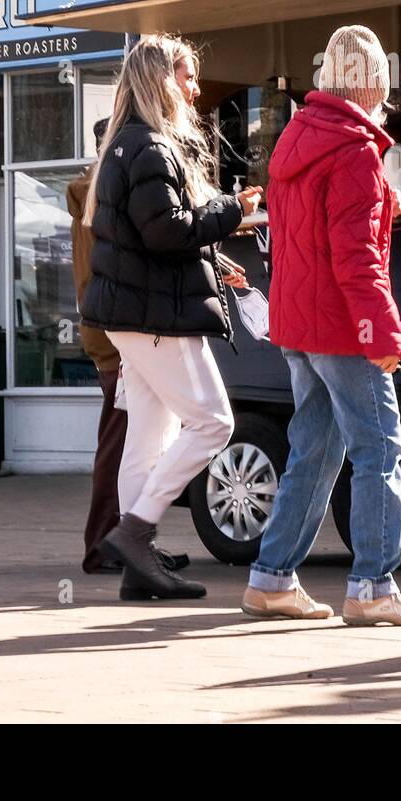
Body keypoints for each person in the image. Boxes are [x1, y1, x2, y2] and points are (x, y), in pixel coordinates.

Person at [240, 24, 401, 626]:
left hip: (296, 324)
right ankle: (372, 586)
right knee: (380, 450)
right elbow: (358, 257)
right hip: (344, 328)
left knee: (312, 452)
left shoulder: (295, 140)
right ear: (371, 87)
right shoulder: (355, 154)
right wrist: (384, 335)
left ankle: (271, 579)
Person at [83, 34, 262, 601]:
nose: (195, 88)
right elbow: (168, 232)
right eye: (187, 77)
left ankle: (138, 568)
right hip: (157, 316)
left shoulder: (126, 145)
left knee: (148, 435)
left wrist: (215, 254)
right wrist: (233, 211)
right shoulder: (151, 148)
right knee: (213, 422)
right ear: (163, 81)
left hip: (132, 314)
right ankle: (135, 534)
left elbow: (156, 232)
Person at [68, 117, 190, 583]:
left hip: (108, 328)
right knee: (122, 444)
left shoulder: (95, 195)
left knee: (134, 442)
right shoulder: (102, 198)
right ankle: (109, 545)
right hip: (119, 332)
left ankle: (133, 544)